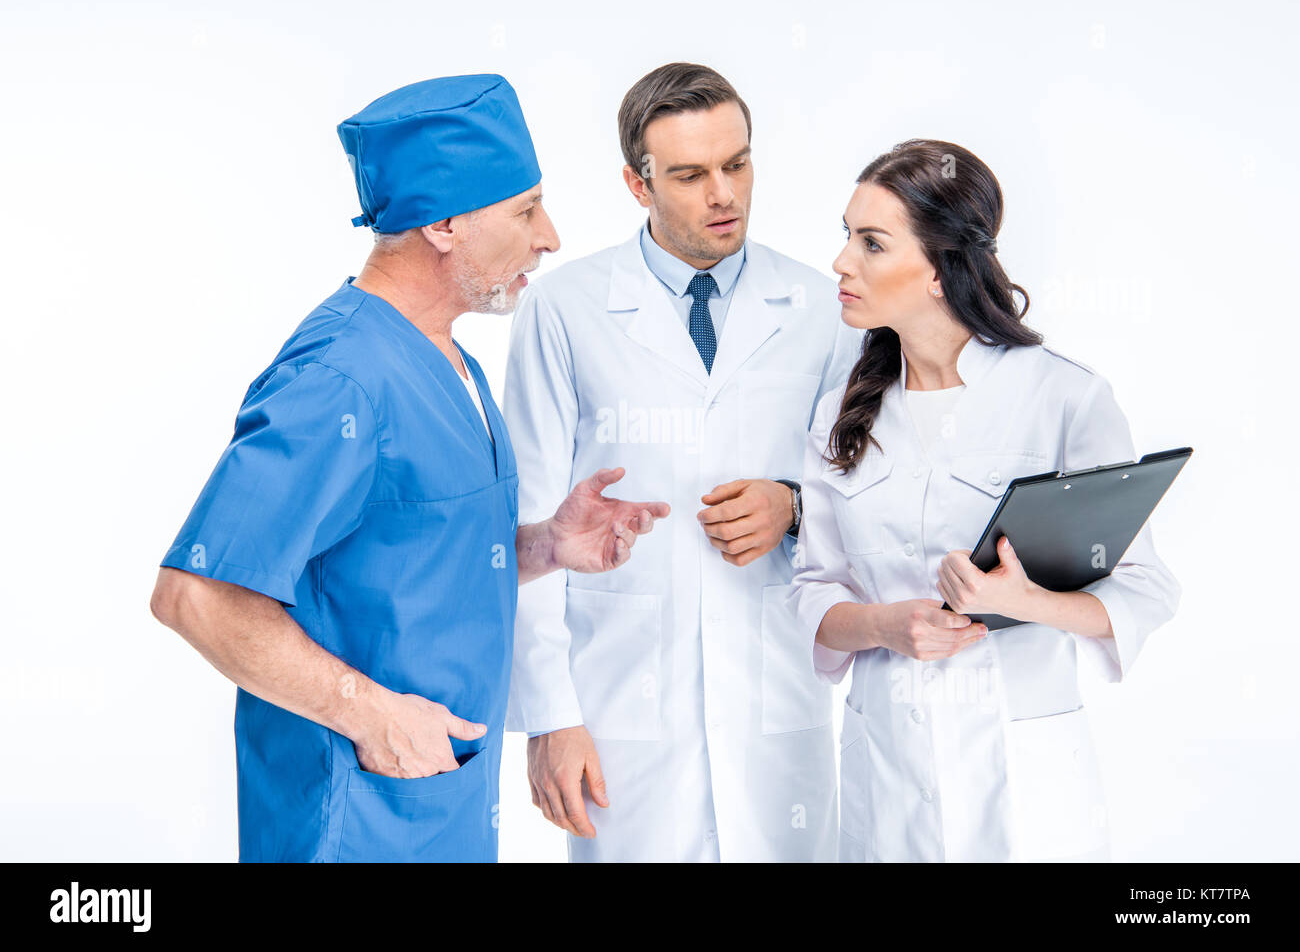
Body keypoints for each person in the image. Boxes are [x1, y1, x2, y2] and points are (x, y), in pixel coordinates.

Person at [148, 74, 669, 863]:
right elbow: (197, 593)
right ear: (447, 223)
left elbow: (408, 554)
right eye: (525, 209)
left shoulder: (450, 358)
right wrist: (370, 713)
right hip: (353, 823)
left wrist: (546, 546)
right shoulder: (341, 379)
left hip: (438, 812)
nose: (551, 235)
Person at [504, 62, 863, 861]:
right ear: (638, 183)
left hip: (776, 696)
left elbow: (865, 495)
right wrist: (551, 714)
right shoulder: (565, 309)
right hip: (622, 708)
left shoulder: (821, 308)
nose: (723, 194)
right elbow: (527, 526)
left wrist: (794, 505)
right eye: (692, 175)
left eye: (736, 164)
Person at [790, 139, 1181, 862]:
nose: (842, 262)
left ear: (940, 270)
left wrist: (1026, 600)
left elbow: (1145, 590)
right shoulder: (841, 417)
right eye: (846, 236)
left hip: (1025, 782)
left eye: (871, 243)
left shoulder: (1062, 398)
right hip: (888, 780)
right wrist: (882, 624)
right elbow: (812, 594)